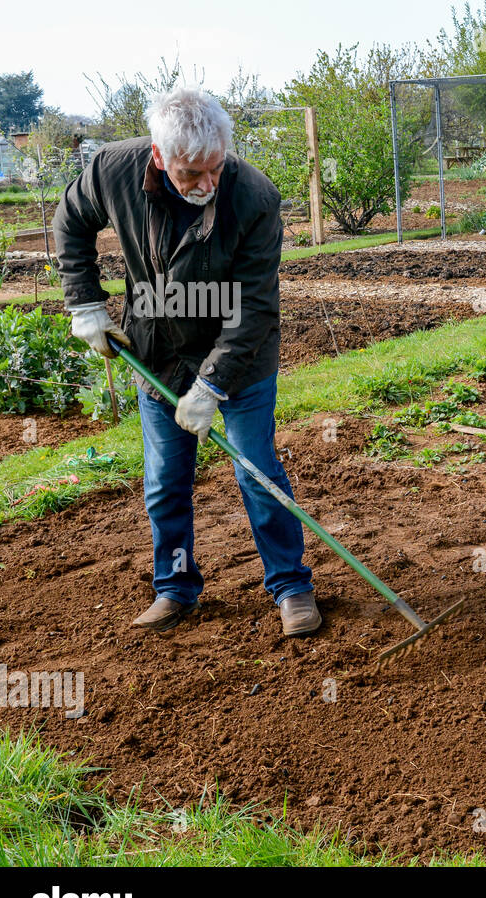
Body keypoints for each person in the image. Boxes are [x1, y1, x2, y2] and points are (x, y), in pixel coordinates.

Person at [53, 85, 321, 637]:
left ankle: (291, 585)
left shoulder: (253, 196)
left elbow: (254, 307)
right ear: (158, 155)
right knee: (165, 481)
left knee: (256, 471)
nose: (207, 185)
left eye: (215, 169)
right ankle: (175, 587)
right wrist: (84, 302)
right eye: (192, 174)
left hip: (240, 360)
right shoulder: (113, 170)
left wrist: (213, 385)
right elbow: (70, 222)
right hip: (159, 352)